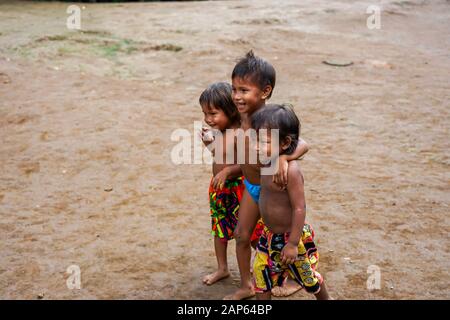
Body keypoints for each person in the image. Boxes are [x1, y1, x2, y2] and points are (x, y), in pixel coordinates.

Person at [226, 51, 309, 300]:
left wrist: (285, 157)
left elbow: (303, 143)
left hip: (273, 189)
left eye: (244, 90)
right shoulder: (235, 115)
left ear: (265, 91)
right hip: (252, 185)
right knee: (242, 235)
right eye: (235, 89)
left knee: (285, 237)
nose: (237, 96)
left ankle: (297, 277)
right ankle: (246, 285)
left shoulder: (268, 118)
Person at [251, 103, 331, 300]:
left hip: (290, 237)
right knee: (261, 276)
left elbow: (299, 207)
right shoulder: (266, 160)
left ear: (285, 143)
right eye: (256, 140)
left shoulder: (291, 171)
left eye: (264, 142)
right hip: (268, 236)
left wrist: (294, 243)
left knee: (307, 277)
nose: (256, 146)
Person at [199, 82, 263, 285]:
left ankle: (267, 265)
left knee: (250, 233)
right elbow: (220, 155)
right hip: (219, 190)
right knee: (219, 229)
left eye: (213, 113)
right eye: (205, 114)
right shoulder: (221, 133)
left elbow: (246, 165)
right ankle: (222, 268)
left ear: (230, 110)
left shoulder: (240, 134)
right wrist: (210, 144)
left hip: (239, 189)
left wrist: (227, 171)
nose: (208, 119)